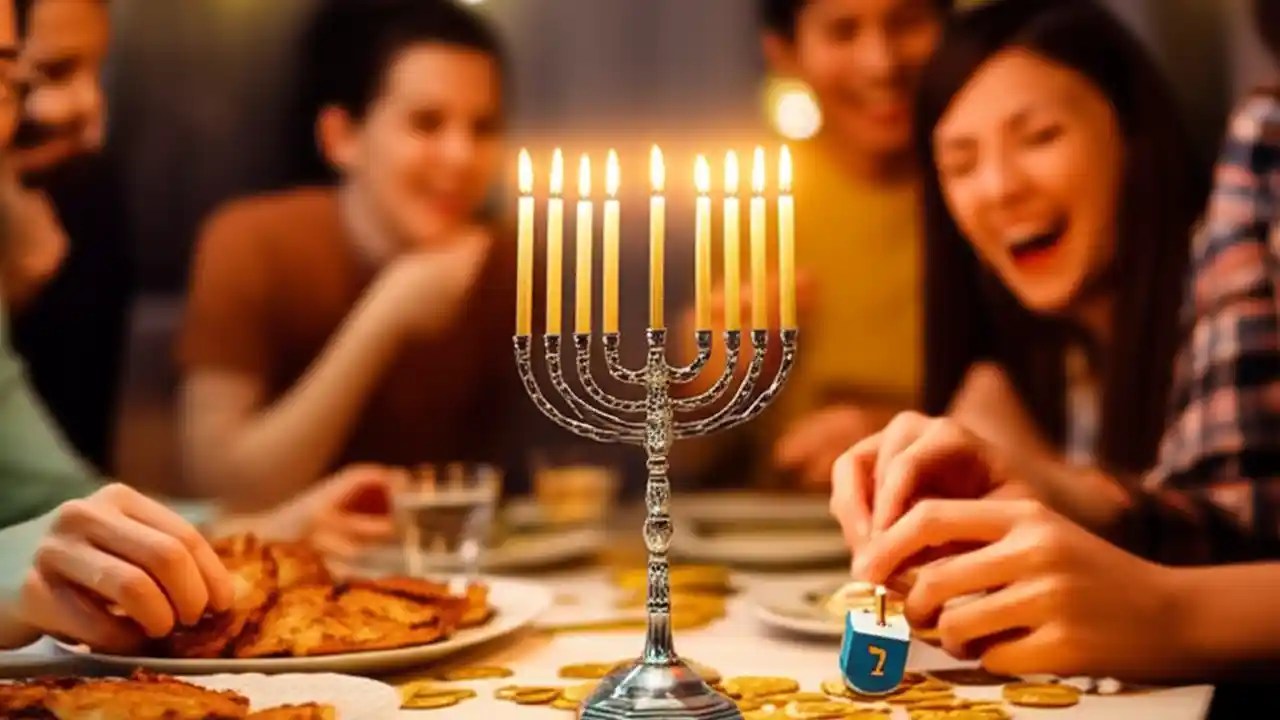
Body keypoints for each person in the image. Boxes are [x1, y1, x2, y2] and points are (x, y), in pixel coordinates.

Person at [829, 0, 1280, 682]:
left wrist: (1050, 484)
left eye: (1039, 137)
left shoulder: (1233, 270)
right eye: (960, 163)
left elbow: (1240, 534)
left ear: (1130, 132)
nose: (1002, 188)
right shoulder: (1042, 364)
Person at [178, 0, 521, 510]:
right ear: (342, 137)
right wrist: (383, 317)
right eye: (427, 124)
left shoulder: (510, 258)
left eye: (483, 127)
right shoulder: (252, 242)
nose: (461, 157)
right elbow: (222, 489)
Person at [672, 0, 952, 490]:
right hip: (783, 538)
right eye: (844, 32)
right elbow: (689, 460)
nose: (881, 64)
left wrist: (902, 433)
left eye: (906, 23)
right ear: (784, 52)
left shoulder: (990, 188)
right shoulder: (753, 203)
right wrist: (704, 384)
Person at [0, 0, 133, 472]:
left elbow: (65, 490)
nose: (92, 114)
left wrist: (242, 520)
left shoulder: (82, 197)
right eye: (53, 72)